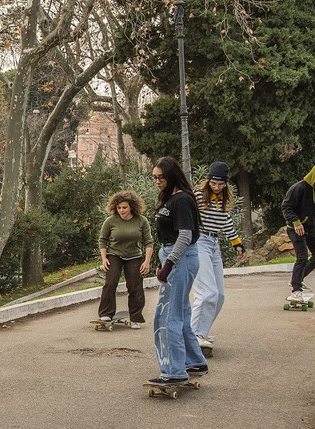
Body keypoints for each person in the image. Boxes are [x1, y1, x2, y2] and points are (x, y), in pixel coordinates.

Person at [150, 156, 208, 384]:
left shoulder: (182, 199)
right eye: (154, 178)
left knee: (167, 316)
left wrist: (169, 263)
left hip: (181, 258)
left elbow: (185, 236)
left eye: (161, 177)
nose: (157, 181)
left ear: (172, 176)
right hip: (172, 255)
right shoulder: (170, 198)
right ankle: (195, 360)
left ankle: (173, 371)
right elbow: (167, 234)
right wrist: (162, 260)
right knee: (181, 311)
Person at [191, 161, 247, 350]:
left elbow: (226, 222)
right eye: (214, 183)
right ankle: (193, 335)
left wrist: (237, 243)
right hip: (199, 242)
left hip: (214, 244)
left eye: (221, 184)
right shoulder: (198, 195)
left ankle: (202, 332)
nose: (216, 187)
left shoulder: (224, 199)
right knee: (207, 292)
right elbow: (186, 213)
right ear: (208, 181)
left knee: (220, 295)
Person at [96, 190, 154, 329]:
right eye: (119, 207)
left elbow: (148, 242)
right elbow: (102, 240)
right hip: (114, 255)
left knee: (135, 286)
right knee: (110, 282)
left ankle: (135, 317)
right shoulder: (111, 221)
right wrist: (104, 259)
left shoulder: (141, 220)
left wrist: (147, 261)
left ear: (131, 207)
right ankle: (106, 314)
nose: (121, 210)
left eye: (124, 207)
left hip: (134, 256)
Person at [280, 163, 315, 304]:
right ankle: (296, 290)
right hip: (296, 228)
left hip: (311, 228)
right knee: (302, 257)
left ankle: (297, 279)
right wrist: (296, 222)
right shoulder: (299, 188)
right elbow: (286, 207)